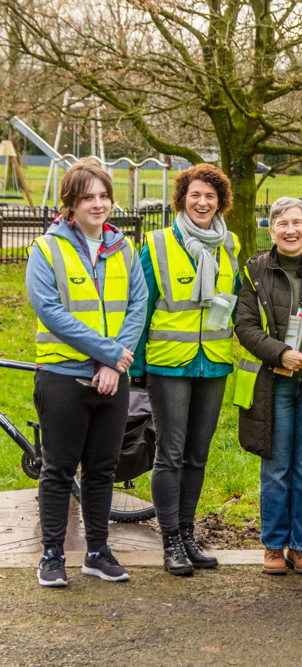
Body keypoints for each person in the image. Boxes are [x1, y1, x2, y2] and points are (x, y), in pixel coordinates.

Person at [26, 159, 148, 587]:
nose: (98, 204)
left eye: (103, 196)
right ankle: (52, 555)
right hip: (63, 377)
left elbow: (138, 306)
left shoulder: (124, 248)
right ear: (71, 204)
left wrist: (114, 362)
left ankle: (98, 551)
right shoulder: (46, 249)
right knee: (58, 469)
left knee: (102, 469)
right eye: (87, 198)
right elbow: (51, 312)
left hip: (114, 377)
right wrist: (109, 355)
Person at [132, 164, 241, 577]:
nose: (203, 202)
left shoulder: (228, 244)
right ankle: (170, 540)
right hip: (168, 365)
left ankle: (188, 534)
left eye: (211, 196)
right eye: (195, 195)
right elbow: (141, 308)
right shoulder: (158, 244)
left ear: (220, 201)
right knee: (171, 453)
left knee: (197, 455)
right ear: (182, 198)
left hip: (212, 363)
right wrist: (137, 365)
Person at [233, 197, 302, 575]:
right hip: (274, 383)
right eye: (283, 223)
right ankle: (274, 546)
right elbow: (245, 326)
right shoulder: (256, 270)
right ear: (271, 229)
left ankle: (300, 546)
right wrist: (281, 354)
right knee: (277, 468)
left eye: (297, 222)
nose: (291, 230)